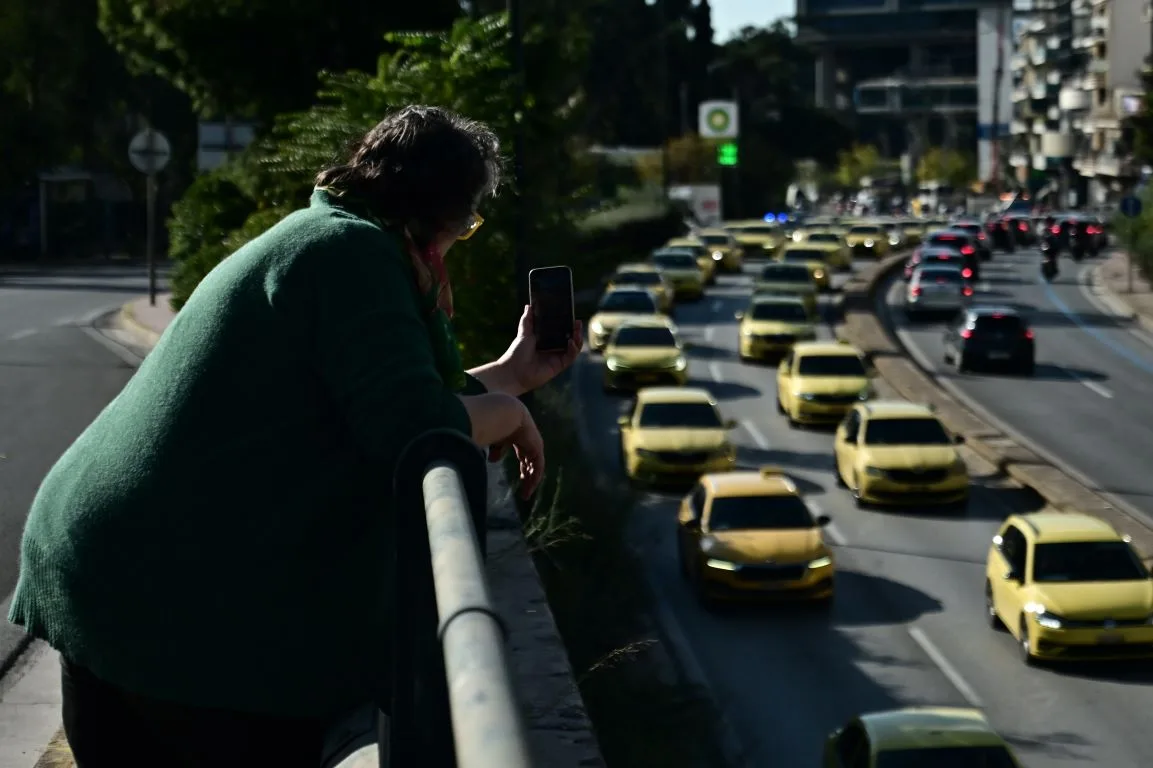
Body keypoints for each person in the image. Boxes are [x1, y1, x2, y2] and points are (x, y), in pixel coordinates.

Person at [8, 105, 581, 767]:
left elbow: (385, 397)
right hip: (152, 595)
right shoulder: (352, 254)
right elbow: (411, 425)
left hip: (122, 570)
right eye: (470, 219)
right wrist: (510, 415)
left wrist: (513, 375)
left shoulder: (331, 234)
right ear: (444, 216)